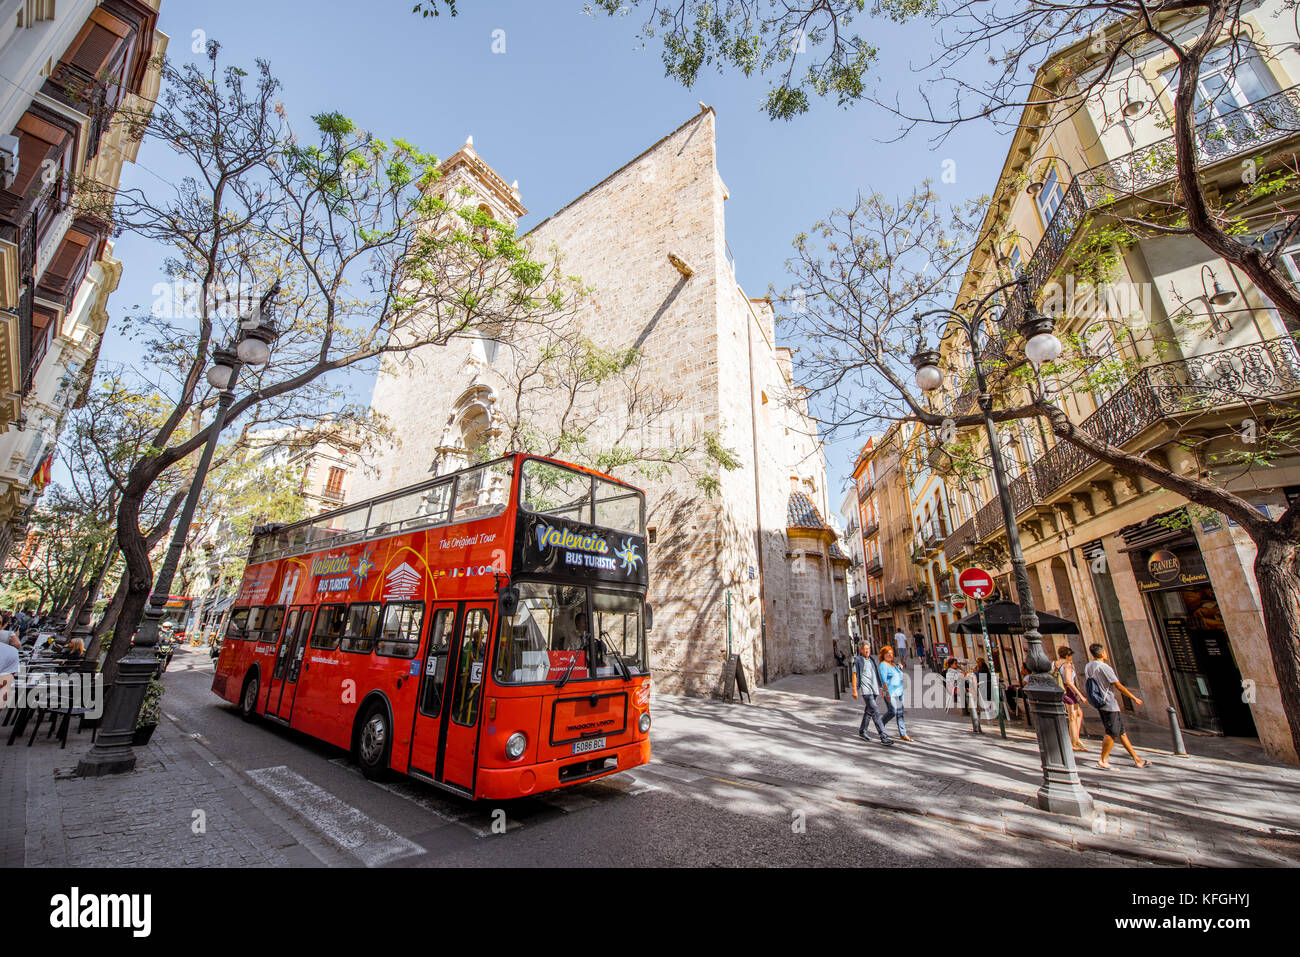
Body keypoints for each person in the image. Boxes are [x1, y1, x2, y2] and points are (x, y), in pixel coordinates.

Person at [1085, 643, 1150, 770]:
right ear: (1102, 653)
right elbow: (1118, 685)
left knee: (1121, 732)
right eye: (1105, 651)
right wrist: (1134, 698)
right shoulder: (1104, 667)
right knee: (1111, 732)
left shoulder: (1088, 666)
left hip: (1100, 702)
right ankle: (1103, 760)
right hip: (1108, 703)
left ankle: (1137, 759)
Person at [850, 640, 892, 746]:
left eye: (868, 648)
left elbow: (875, 674)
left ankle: (862, 731)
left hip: (874, 690)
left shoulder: (872, 660)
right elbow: (854, 675)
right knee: (875, 712)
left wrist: (881, 688)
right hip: (866, 691)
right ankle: (884, 737)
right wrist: (854, 690)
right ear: (860, 650)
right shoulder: (858, 660)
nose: (867, 650)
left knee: (868, 712)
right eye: (865, 649)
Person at [1053, 646, 1088, 752]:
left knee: (1078, 714)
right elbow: (1069, 681)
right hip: (1069, 691)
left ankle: (1076, 739)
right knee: (1072, 716)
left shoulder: (1055, 663)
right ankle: (1073, 742)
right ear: (1068, 655)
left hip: (1061, 690)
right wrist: (1080, 695)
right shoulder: (1067, 665)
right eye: (1071, 655)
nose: (1072, 657)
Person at [877, 645, 911, 741]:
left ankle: (903, 734)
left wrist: (899, 668)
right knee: (893, 711)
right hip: (890, 693)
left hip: (899, 692)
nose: (890, 655)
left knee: (900, 713)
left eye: (891, 654)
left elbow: (898, 675)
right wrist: (886, 692)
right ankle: (880, 724)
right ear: (883, 655)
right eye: (888, 654)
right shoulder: (883, 665)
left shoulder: (893, 664)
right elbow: (883, 680)